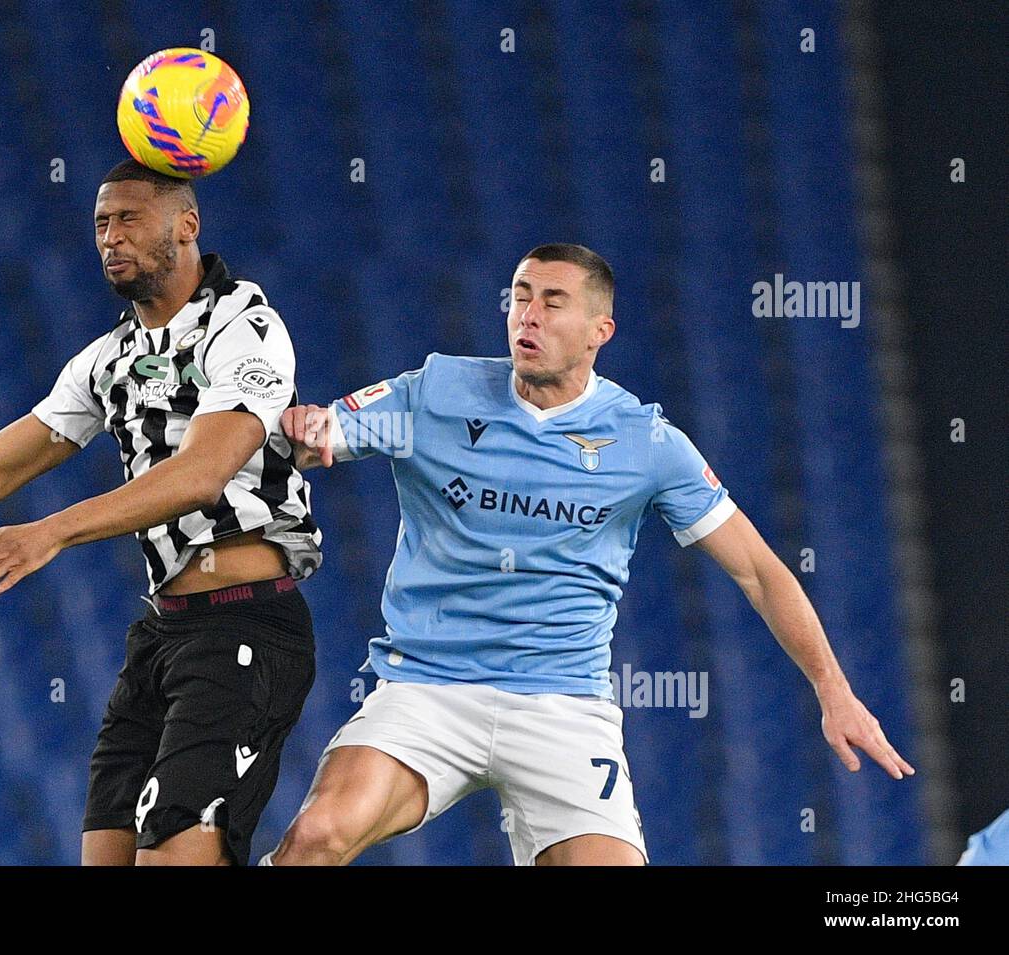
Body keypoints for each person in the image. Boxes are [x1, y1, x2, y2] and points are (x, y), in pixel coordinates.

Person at [264, 243, 913, 866]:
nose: (530, 314)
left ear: (599, 328)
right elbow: (315, 434)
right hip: (430, 690)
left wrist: (834, 689)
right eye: (521, 296)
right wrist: (304, 428)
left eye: (553, 300)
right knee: (315, 837)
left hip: (563, 707)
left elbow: (761, 572)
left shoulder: (646, 441)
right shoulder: (436, 390)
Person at [0, 159, 321, 866]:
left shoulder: (247, 328)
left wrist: (50, 530)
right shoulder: (107, 359)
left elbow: (204, 473)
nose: (110, 237)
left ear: (187, 225)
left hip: (246, 626)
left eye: (129, 219)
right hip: (163, 634)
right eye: (101, 223)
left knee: (171, 860)